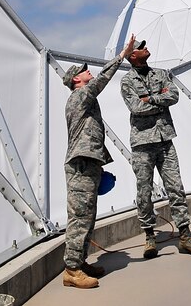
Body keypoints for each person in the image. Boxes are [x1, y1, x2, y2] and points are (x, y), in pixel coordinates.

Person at [120, 39, 191, 259]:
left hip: (165, 140)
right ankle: (150, 237)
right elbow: (136, 108)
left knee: (176, 188)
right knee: (144, 192)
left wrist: (149, 98)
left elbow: (173, 96)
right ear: (132, 56)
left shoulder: (161, 74)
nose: (145, 48)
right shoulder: (127, 80)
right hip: (142, 144)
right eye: (140, 47)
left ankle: (185, 236)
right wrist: (159, 100)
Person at [62, 34, 136, 289]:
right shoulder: (79, 96)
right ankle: (71, 269)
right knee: (80, 218)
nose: (89, 72)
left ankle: (80, 263)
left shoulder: (86, 99)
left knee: (88, 218)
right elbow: (102, 79)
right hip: (80, 165)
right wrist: (122, 56)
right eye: (84, 71)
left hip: (89, 164)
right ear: (75, 79)